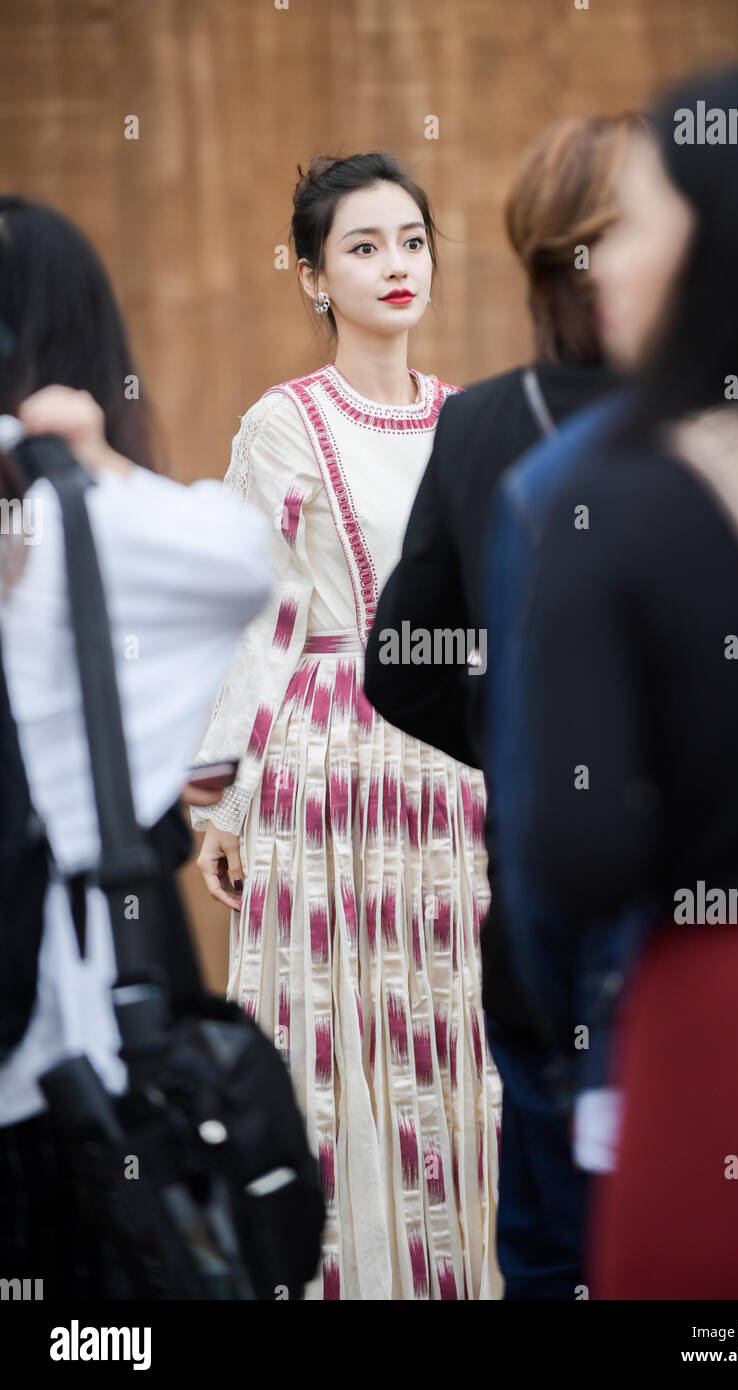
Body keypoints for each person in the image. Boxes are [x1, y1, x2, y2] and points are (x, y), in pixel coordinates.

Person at [486, 59, 738, 1298]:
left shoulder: (612, 500)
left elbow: (571, 853)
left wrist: (563, 1052)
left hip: (737, 1055)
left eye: (636, 219)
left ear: (725, 241)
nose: (603, 262)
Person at [191, 153, 502, 1300]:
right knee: (330, 1060)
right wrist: (223, 798)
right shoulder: (282, 426)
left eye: (410, 240)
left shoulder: (472, 421)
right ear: (315, 277)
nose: (393, 265)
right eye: (362, 246)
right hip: (323, 776)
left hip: (450, 771)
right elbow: (254, 620)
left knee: (451, 1043)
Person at [363, 115, 630, 1299]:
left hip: (533, 922)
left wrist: (519, 744)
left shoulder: (478, 424)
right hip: (730, 933)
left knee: (546, 1240)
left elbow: (400, 663)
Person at [0, 204, 273, 1297]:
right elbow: (240, 558)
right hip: (58, 1056)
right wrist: (91, 466)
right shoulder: (101, 526)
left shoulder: (71, 532)